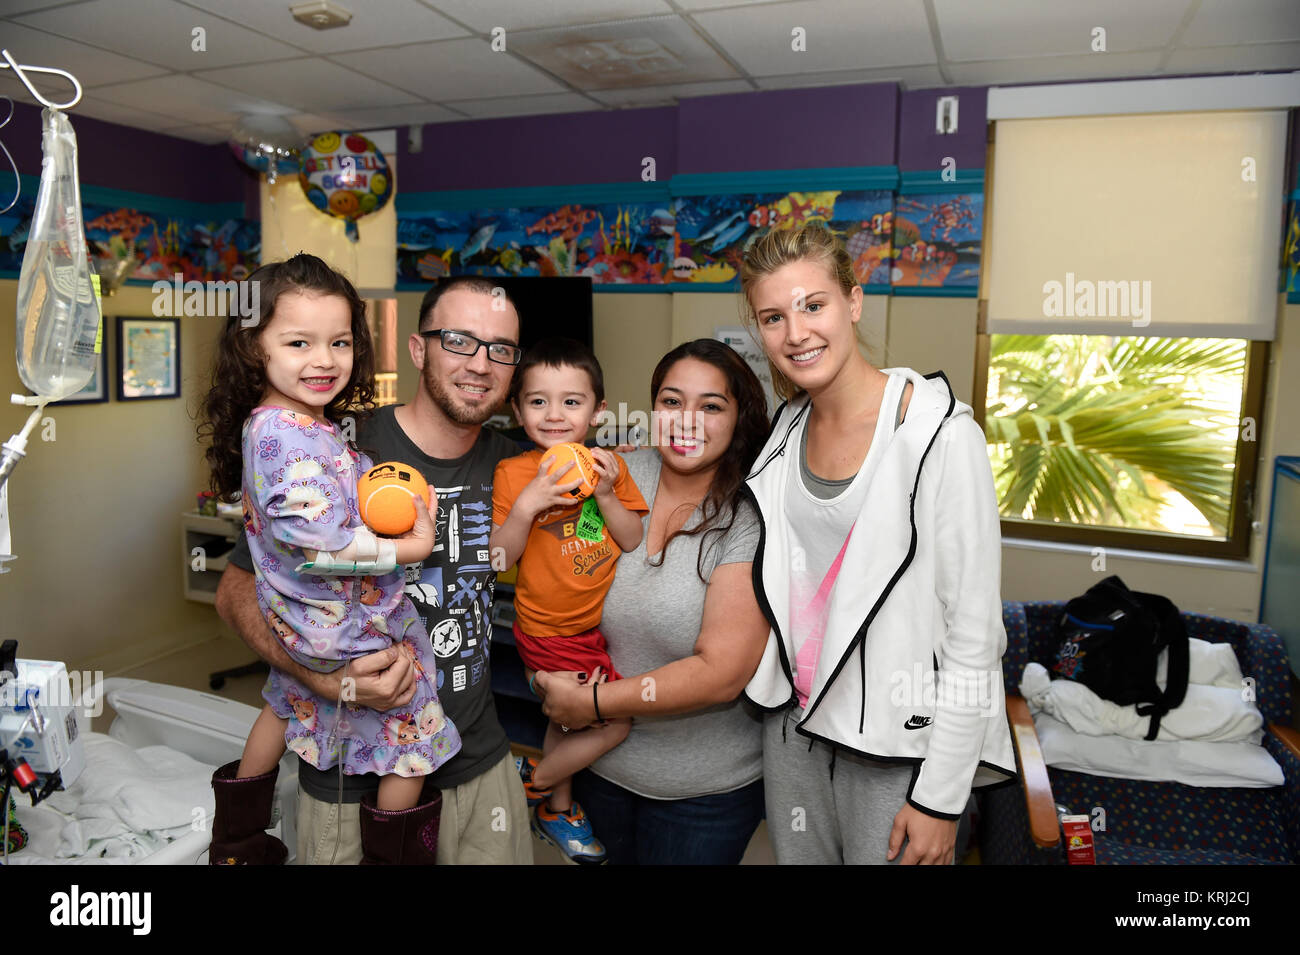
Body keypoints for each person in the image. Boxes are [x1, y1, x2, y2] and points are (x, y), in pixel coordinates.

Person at [215, 275, 533, 865]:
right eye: (460, 341)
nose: (481, 364)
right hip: (346, 783)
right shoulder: (335, 441)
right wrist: (316, 676)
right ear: (418, 349)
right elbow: (238, 590)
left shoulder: (521, 466)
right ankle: (237, 838)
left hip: (484, 763)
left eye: (501, 349)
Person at [738, 224, 1016, 864]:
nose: (796, 333)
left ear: (854, 302)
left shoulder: (941, 435)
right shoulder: (786, 429)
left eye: (814, 305)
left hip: (897, 748)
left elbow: (975, 634)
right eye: (773, 317)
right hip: (795, 731)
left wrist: (941, 798)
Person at [533, 339, 773, 865]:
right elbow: (560, 580)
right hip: (598, 771)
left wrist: (592, 704)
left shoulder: (751, 516)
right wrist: (547, 671)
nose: (686, 421)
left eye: (711, 406)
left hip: (703, 796)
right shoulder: (608, 477)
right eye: (671, 401)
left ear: (739, 420)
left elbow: (721, 673)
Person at [490, 338, 649, 864]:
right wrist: (528, 505)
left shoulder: (612, 468)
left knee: (568, 722)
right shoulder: (514, 474)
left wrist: (605, 492)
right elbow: (498, 561)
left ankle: (558, 807)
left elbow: (629, 537)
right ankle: (530, 786)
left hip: (588, 629)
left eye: (571, 402)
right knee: (614, 722)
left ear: (598, 410)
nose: (554, 415)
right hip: (549, 632)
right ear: (516, 409)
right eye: (537, 402)